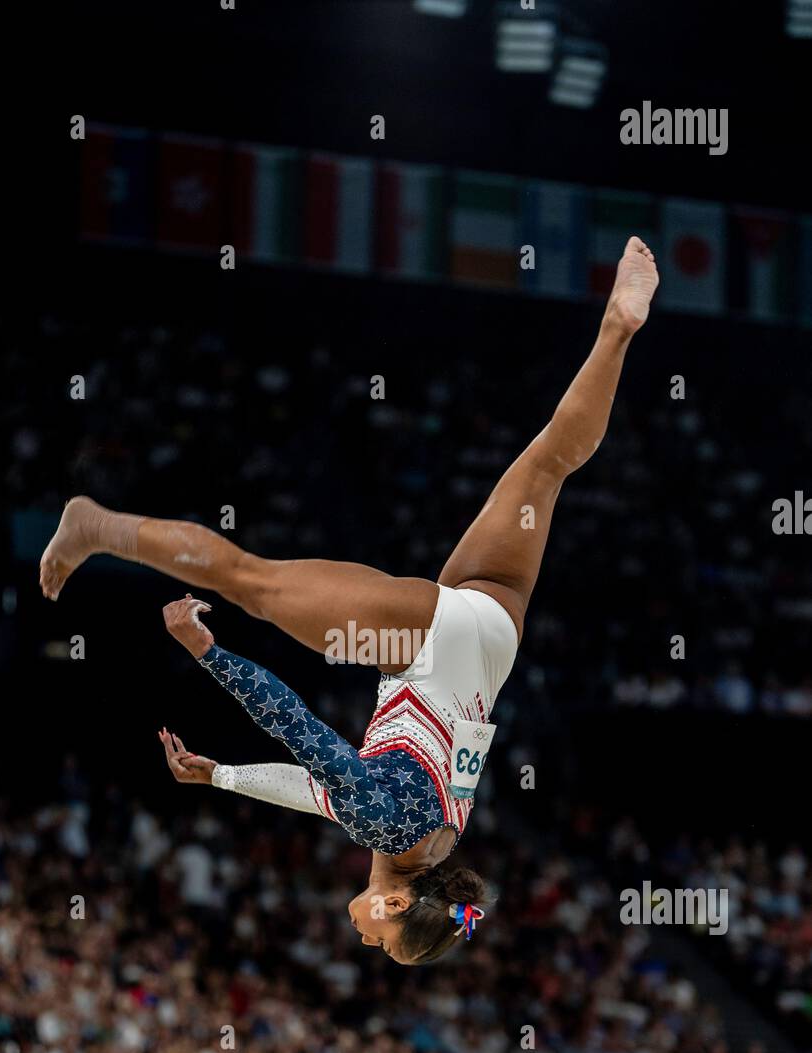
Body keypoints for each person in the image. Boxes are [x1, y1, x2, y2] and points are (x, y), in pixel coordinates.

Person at [40, 239, 659, 965]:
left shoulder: (436, 842)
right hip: (424, 646)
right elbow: (303, 734)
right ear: (396, 903)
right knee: (249, 583)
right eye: (380, 937)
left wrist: (224, 776)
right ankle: (95, 524)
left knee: (550, 462)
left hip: (491, 634)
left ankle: (617, 328)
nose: (363, 934)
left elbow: (317, 792)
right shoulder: (386, 832)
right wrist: (212, 657)